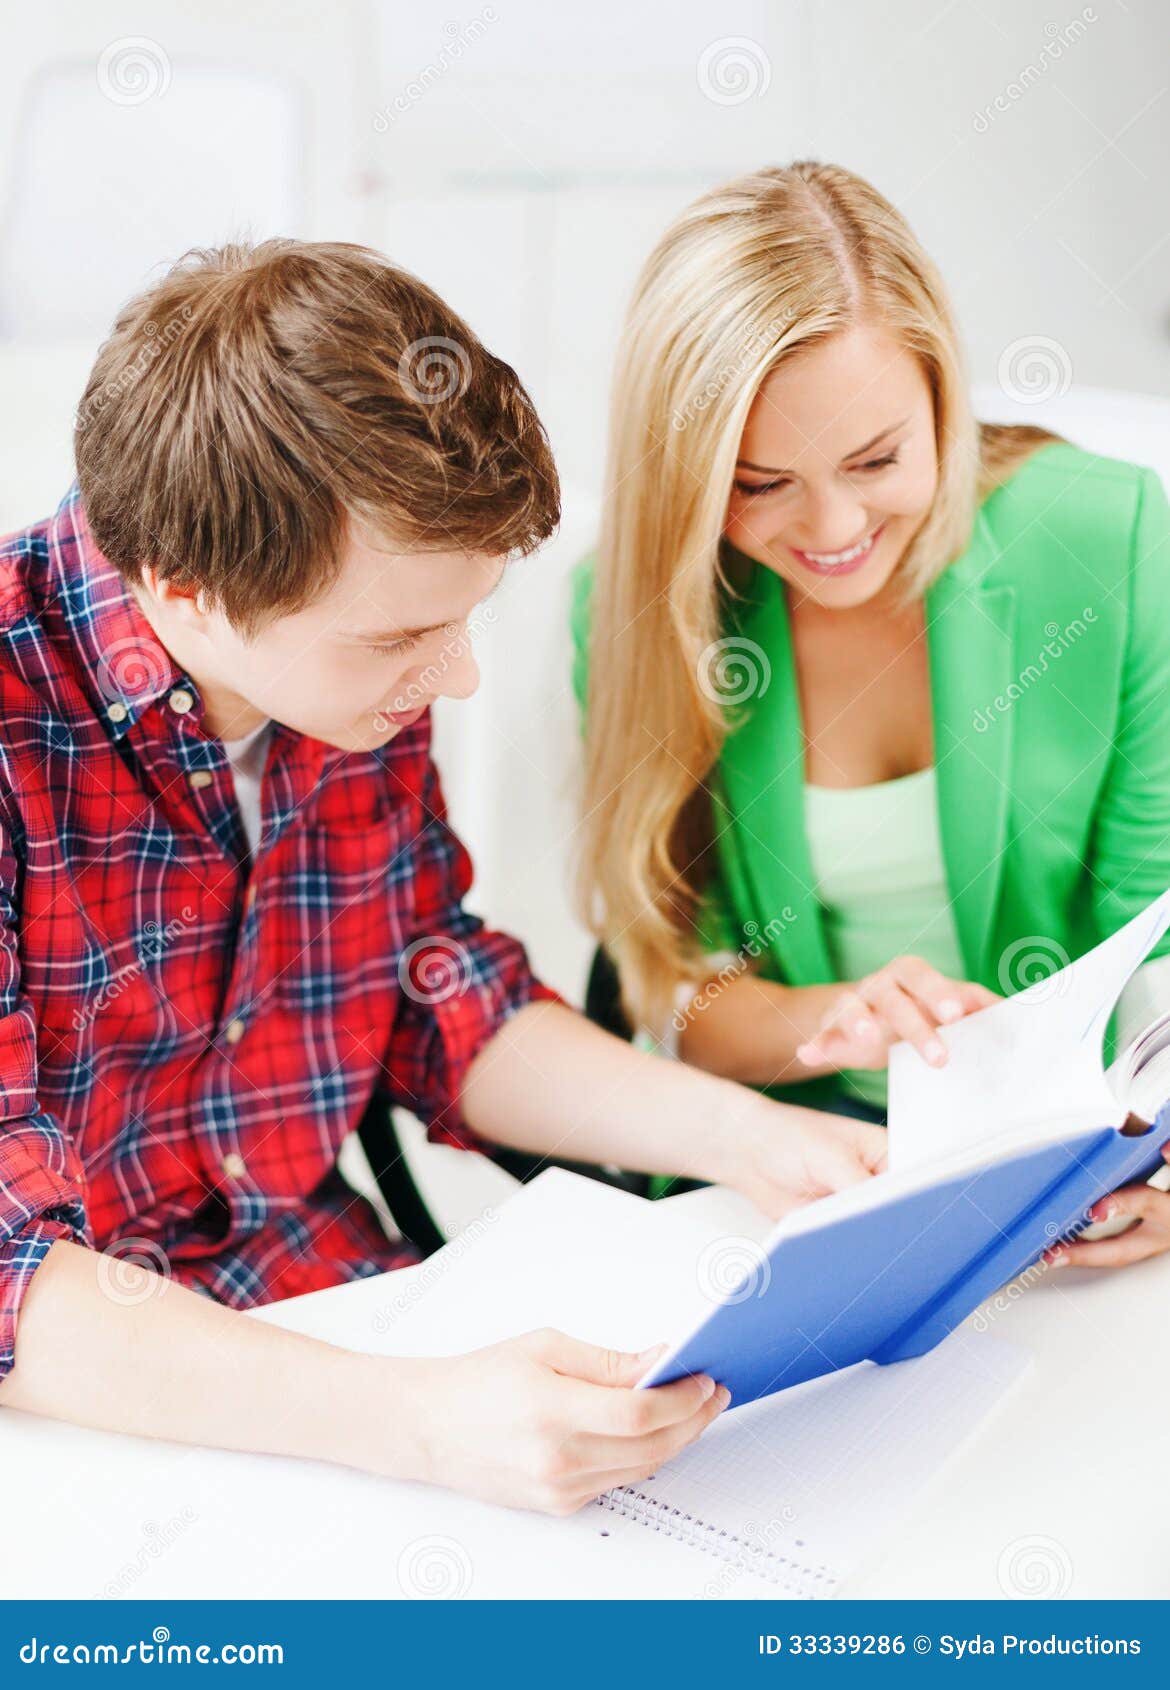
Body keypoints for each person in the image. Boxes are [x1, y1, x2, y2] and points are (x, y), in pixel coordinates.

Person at [0, 240, 887, 1515]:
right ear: (186, 596)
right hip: (87, 1407)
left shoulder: (345, 672)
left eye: (465, 618)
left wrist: (743, 1136)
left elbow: (431, 987)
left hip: (340, 1303)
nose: (456, 676)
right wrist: (417, 1421)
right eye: (406, 637)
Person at [572, 161, 1170, 1268]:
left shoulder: (1110, 540)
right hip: (797, 1160)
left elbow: (1158, 933)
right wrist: (839, 1014)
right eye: (759, 484)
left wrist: (1161, 1158)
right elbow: (684, 1001)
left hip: (1084, 1143)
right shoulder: (644, 607)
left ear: (943, 396)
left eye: (877, 458)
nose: (834, 526)